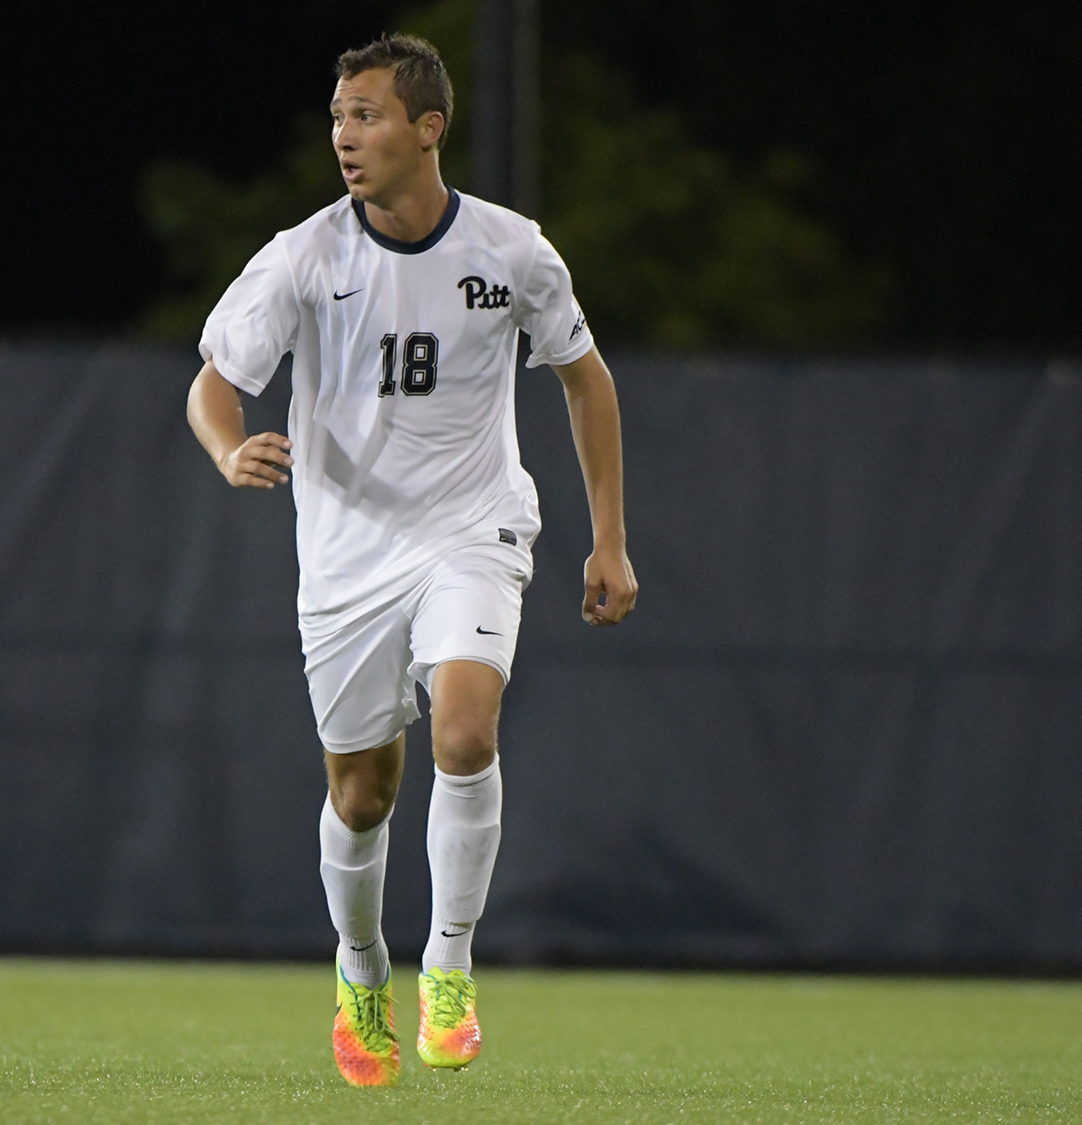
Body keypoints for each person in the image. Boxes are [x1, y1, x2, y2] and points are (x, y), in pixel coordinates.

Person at [184, 33, 637, 1087]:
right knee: (361, 795)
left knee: (465, 731)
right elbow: (213, 382)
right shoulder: (303, 256)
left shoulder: (511, 250)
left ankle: (449, 964)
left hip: (471, 529)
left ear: (428, 128)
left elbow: (586, 379)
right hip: (347, 556)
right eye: (338, 117)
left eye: (367, 115)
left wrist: (609, 537)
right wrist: (227, 448)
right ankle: (360, 969)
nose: (345, 137)